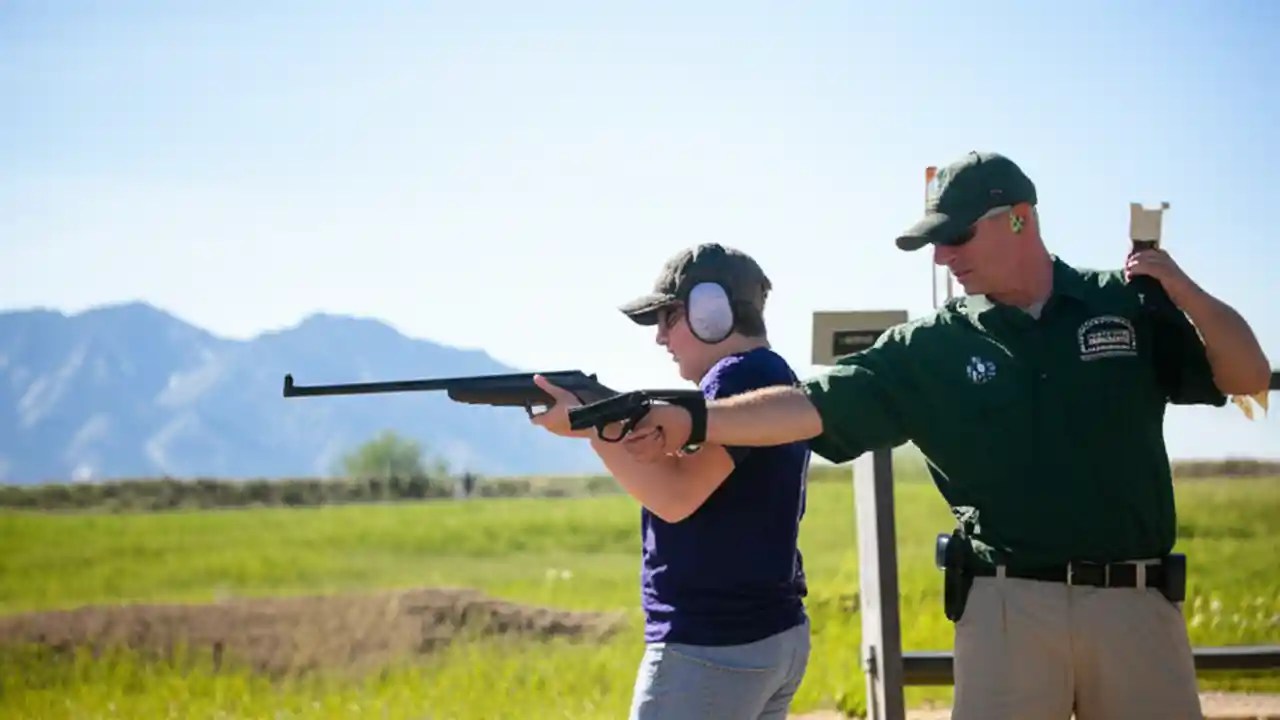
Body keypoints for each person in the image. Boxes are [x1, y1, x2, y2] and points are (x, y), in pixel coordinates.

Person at [535, 152, 1272, 720]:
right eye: (933, 244)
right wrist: (696, 418)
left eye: (955, 238)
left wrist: (1181, 289)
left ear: (1020, 218)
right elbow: (811, 405)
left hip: (1136, 605)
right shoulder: (930, 346)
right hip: (1008, 610)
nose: (942, 259)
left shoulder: (1124, 304)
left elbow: (1247, 374)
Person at [530, 242, 813, 720]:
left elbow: (677, 496)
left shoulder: (738, 378)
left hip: (714, 644)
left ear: (712, 311)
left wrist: (591, 425)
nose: (661, 337)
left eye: (669, 317)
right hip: (756, 637)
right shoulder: (761, 376)